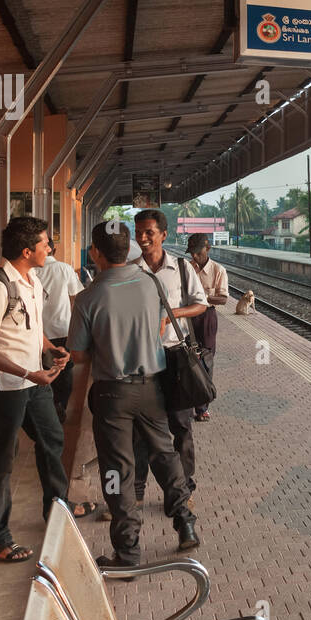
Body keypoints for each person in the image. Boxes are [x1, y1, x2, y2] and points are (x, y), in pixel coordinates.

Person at [67, 221, 200, 566]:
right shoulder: (150, 284)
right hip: (151, 388)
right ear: (128, 249)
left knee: (117, 470)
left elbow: (78, 354)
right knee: (165, 455)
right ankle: (185, 522)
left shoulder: (87, 297)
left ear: (94, 252)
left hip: (112, 394)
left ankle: (127, 553)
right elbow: (156, 326)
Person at [0, 216, 96, 563]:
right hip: (3, 388)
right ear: (27, 251)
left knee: (52, 439)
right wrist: (28, 371)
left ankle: (57, 507)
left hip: (32, 381)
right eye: (45, 244)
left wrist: (48, 349)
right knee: (0, 460)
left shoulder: (31, 279)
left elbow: (29, 326)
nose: (50, 249)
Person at [131, 210, 208, 501]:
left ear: (164, 234)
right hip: (142, 360)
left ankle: (185, 484)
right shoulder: (131, 269)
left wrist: (170, 314)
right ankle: (136, 489)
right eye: (139, 232)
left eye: (149, 232)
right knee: (139, 428)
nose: (143, 238)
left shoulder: (182, 268)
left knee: (181, 424)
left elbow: (200, 305)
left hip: (175, 356)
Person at [33, 240, 83, 423]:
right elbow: (77, 297)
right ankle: (59, 405)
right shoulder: (64, 269)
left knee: (39, 370)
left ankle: (43, 409)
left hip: (37, 333)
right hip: (62, 329)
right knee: (63, 372)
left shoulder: (30, 270)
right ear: (54, 250)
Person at [186, 233, 227, 422]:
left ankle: (202, 407)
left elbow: (223, 298)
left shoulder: (218, 270)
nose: (194, 257)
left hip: (207, 319)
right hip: (188, 317)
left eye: (198, 252)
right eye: (192, 253)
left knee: (206, 360)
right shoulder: (187, 268)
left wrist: (201, 298)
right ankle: (187, 401)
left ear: (207, 248)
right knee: (187, 358)